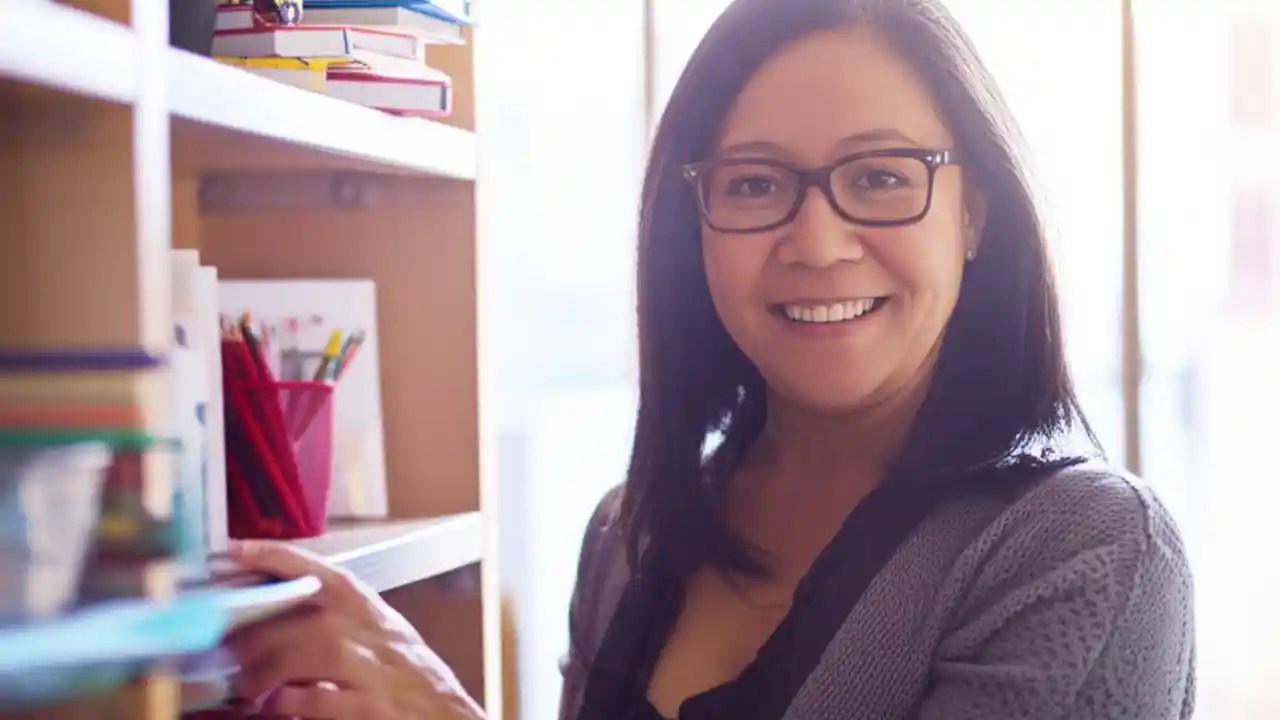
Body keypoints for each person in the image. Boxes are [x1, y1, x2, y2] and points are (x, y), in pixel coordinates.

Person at [228, 0, 1197, 717]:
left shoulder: (1086, 553)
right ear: (690, 227)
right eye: (752, 184)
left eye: (878, 177)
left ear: (972, 213)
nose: (816, 243)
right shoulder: (628, 536)